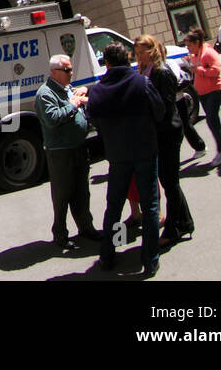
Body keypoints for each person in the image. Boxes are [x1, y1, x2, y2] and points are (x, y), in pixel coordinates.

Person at [86, 41, 163, 279]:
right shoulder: (141, 82)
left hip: (117, 154)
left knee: (114, 206)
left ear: (106, 63)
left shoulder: (97, 90)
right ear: (127, 58)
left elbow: (93, 120)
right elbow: (159, 111)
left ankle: (108, 254)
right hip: (144, 150)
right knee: (150, 206)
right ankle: (150, 260)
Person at [134, 35, 195, 247]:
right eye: (137, 52)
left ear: (152, 51)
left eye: (142, 52)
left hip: (168, 131)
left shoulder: (162, 73)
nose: (139, 56)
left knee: (170, 182)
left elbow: (166, 108)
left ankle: (173, 229)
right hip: (157, 133)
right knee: (169, 181)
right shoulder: (144, 72)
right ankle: (185, 221)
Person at [35, 53, 100, 248]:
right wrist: (73, 105)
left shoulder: (66, 89)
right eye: (67, 70)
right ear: (54, 72)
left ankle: (86, 227)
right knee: (63, 194)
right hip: (60, 151)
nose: (71, 73)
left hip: (78, 147)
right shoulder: (45, 94)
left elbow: (76, 99)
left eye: (71, 69)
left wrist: (78, 94)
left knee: (82, 190)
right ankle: (60, 234)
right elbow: (52, 119)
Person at [184, 28, 221, 164]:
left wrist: (199, 70)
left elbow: (216, 71)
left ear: (197, 43)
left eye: (189, 45)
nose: (188, 48)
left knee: (212, 120)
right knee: (212, 121)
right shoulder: (195, 55)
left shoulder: (208, 53)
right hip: (203, 93)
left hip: (214, 91)